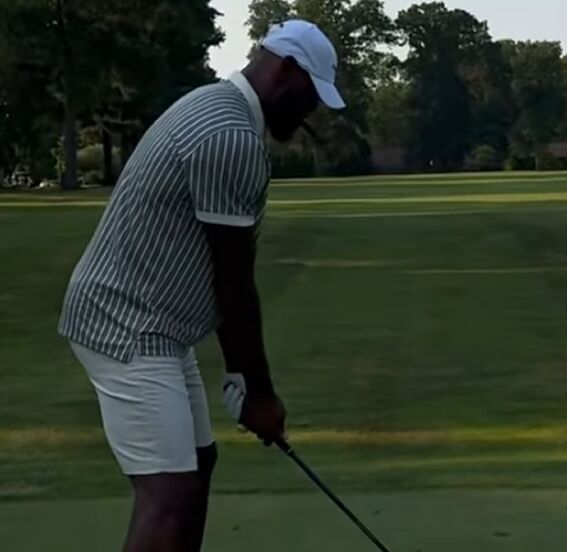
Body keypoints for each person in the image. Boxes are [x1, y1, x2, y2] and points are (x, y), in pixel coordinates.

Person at [57, 20, 345, 552]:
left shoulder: (215, 105)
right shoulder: (228, 136)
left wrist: (241, 375)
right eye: (310, 97)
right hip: (128, 322)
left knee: (197, 462)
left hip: (156, 324)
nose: (310, 113)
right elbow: (233, 280)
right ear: (286, 72)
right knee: (168, 494)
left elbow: (221, 275)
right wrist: (260, 393)